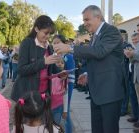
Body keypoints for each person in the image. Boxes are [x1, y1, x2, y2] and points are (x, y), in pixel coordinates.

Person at [53, 5, 125, 133]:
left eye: (87, 20)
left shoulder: (111, 31)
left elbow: (100, 51)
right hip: (97, 92)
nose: (84, 23)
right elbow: (97, 59)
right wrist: (88, 73)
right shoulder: (95, 36)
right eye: (83, 20)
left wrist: (70, 48)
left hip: (110, 93)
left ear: (98, 17)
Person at [11, 15, 61, 102]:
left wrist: (60, 71)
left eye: (50, 34)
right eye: (46, 33)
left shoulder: (49, 46)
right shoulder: (27, 43)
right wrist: (44, 62)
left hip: (44, 94)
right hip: (28, 95)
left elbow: (51, 69)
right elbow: (21, 69)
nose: (48, 36)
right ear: (37, 29)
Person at [124, 21, 139, 133]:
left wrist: (133, 55)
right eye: (138, 30)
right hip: (137, 78)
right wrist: (129, 55)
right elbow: (135, 60)